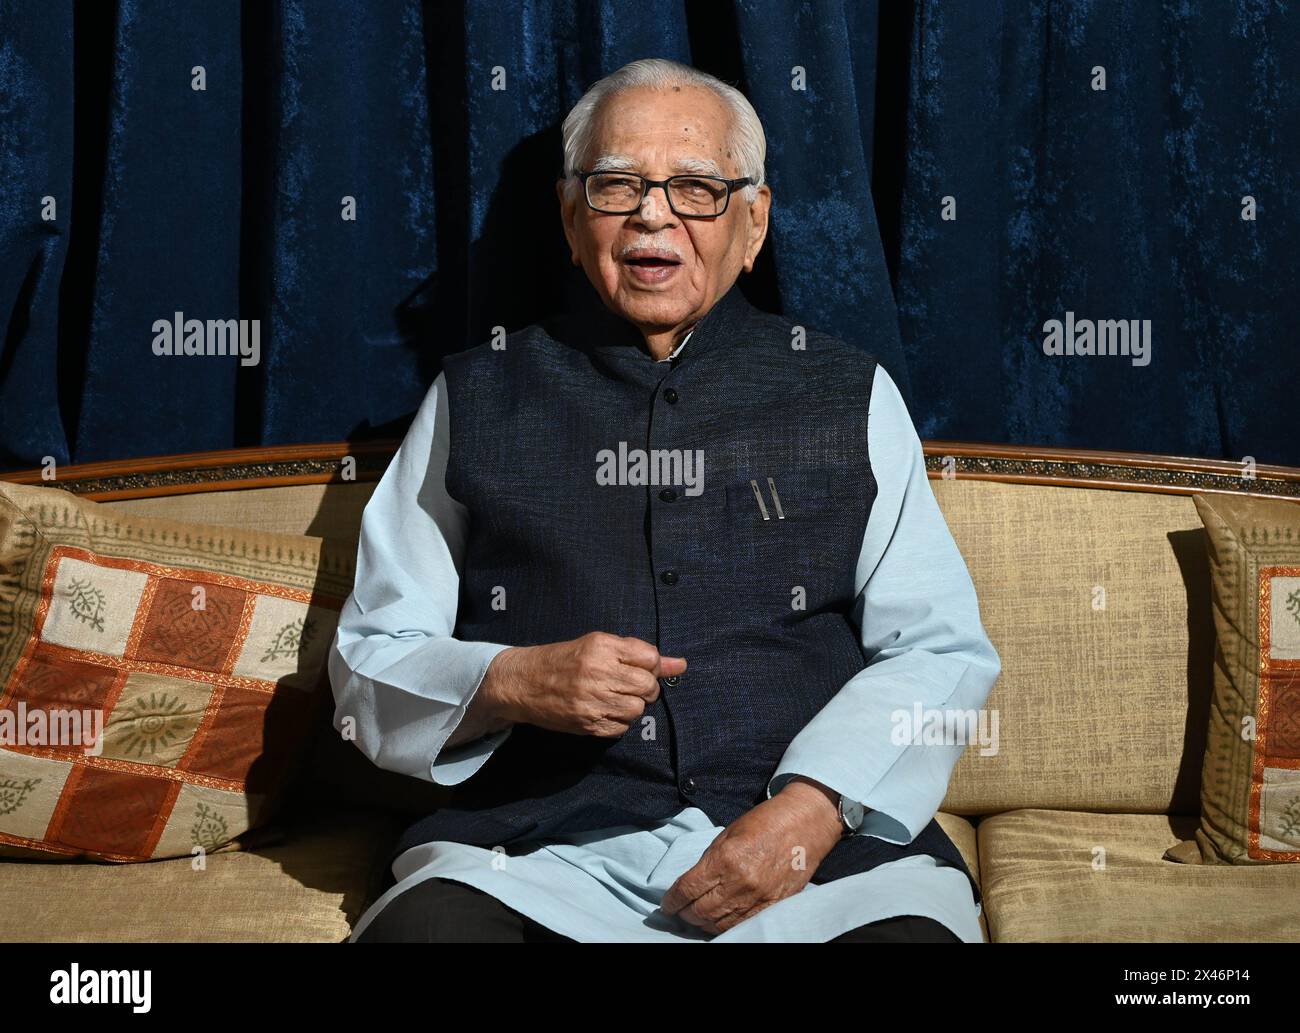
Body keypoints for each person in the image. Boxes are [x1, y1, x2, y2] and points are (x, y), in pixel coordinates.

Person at [329, 57, 1001, 943]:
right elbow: (370, 657)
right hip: (541, 860)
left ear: (753, 223)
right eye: (617, 186)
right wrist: (512, 680)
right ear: (572, 220)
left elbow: (940, 651)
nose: (654, 213)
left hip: (820, 866)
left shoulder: (849, 392)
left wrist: (812, 810)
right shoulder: (474, 397)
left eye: (696, 187)